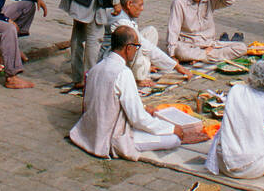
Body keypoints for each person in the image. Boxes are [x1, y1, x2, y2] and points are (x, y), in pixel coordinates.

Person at [70, 26, 206, 159]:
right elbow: (138, 119)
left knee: (153, 119)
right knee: (173, 139)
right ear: (128, 48)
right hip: (111, 136)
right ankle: (177, 136)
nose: (136, 51)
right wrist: (172, 129)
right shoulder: (123, 73)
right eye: (136, 47)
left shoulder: (96, 68)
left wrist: (145, 108)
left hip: (90, 131)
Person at [101, 0, 189, 86]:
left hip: (124, 52)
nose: (142, 8)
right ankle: (139, 78)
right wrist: (176, 66)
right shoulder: (121, 21)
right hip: (110, 57)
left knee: (151, 31)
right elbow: (146, 46)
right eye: (140, 5)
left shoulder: (125, 13)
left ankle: (144, 68)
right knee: (136, 45)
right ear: (129, 4)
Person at [165, 0, 245, 63]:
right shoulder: (180, 2)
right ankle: (204, 56)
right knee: (181, 52)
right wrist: (172, 55)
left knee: (241, 48)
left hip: (209, 44)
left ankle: (198, 58)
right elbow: (173, 29)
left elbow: (230, 0)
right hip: (188, 45)